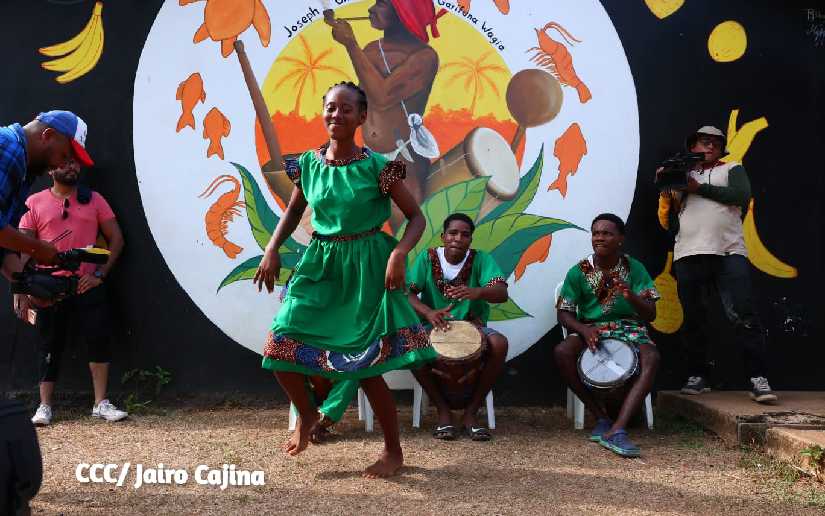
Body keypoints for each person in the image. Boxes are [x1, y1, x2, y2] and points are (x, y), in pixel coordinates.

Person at [254, 81, 434, 478]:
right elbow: (293, 209)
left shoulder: (378, 168)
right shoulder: (309, 164)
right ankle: (308, 415)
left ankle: (393, 453)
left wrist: (399, 254)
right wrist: (271, 248)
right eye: (331, 108)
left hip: (368, 267)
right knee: (279, 343)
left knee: (365, 367)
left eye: (346, 109)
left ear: (362, 117)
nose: (337, 115)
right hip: (321, 263)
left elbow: (417, 218)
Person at [0, 110, 95, 514]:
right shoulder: (6, 151)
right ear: (48, 135)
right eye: (64, 152)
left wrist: (22, 281)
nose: (63, 163)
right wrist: (45, 252)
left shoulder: (18, 166)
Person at [658, 126, 776, 403]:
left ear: (722, 148)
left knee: (743, 315)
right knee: (694, 318)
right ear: (693, 147)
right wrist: (666, 190)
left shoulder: (732, 168)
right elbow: (669, 223)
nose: (709, 146)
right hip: (687, 252)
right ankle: (698, 376)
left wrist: (699, 188)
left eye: (715, 142)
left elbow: (740, 195)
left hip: (728, 251)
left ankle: (758, 378)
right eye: (703, 141)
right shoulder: (681, 175)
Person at [15, 150, 126, 426]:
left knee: (98, 339)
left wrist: (100, 274)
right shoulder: (33, 203)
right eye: (63, 162)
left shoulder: (95, 200)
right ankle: (44, 407)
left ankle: (100, 403)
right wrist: (23, 288)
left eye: (74, 162)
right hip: (48, 288)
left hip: (87, 284)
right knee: (47, 344)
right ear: (51, 170)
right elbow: (23, 249)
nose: (70, 166)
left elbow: (117, 239)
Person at [327, 0, 442, 226]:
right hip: (369, 160)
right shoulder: (371, 50)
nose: (371, 9)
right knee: (361, 235)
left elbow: (382, 97)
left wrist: (350, 44)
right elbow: (363, 102)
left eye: (381, 4)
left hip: (403, 160)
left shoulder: (424, 57)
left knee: (405, 234)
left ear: (404, 13)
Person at [555, 213, 660, 458]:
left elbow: (651, 314)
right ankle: (601, 417)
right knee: (562, 352)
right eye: (596, 233)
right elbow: (564, 313)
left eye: (607, 233)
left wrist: (631, 296)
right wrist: (583, 329)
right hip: (592, 328)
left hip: (629, 327)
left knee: (652, 357)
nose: (599, 238)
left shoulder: (634, 268)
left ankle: (617, 429)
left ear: (621, 239)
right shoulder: (579, 271)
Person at [406, 213, 508, 441]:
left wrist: (478, 292)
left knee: (499, 343)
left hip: (473, 326)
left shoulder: (480, 259)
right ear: (443, 236)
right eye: (452, 233)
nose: (458, 238)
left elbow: (502, 293)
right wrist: (429, 312)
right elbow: (407, 293)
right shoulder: (427, 258)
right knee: (411, 344)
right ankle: (443, 411)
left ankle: (471, 413)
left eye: (465, 234)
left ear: (471, 240)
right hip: (434, 326)